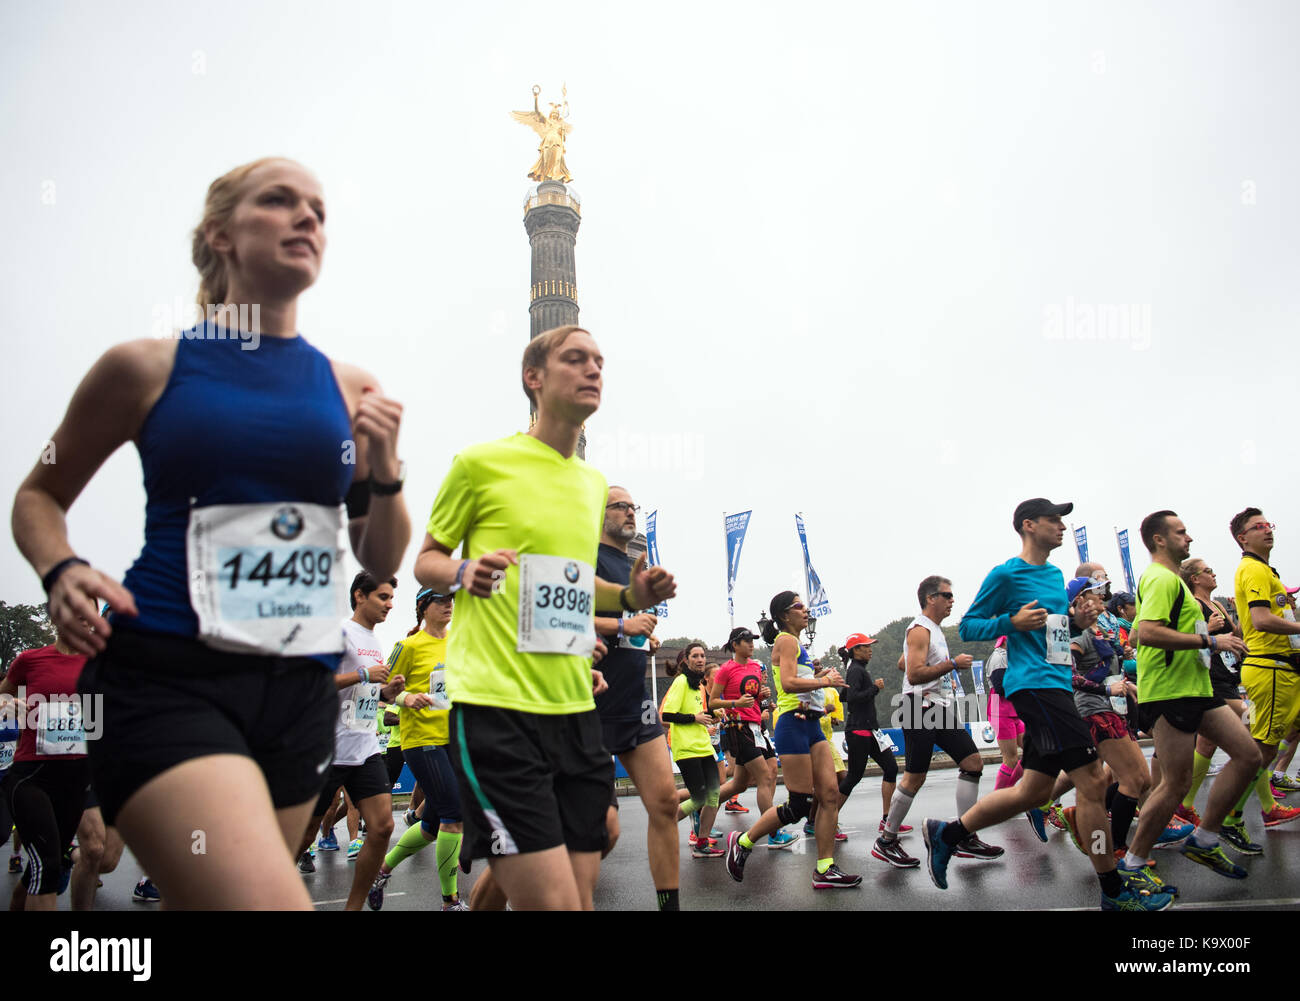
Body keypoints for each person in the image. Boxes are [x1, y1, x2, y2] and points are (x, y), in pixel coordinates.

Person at [11, 158, 411, 908]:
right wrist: (60, 569)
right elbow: (38, 494)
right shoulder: (145, 367)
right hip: (166, 674)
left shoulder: (351, 386)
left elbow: (379, 555)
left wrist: (385, 471)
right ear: (218, 233)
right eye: (280, 201)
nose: (307, 219)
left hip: (299, 694)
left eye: (319, 210)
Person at [413, 324, 676, 910]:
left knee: (586, 874)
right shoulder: (480, 463)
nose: (594, 370)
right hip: (497, 712)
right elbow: (425, 560)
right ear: (533, 378)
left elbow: (578, 587)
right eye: (576, 359)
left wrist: (631, 597)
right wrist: (461, 573)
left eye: (600, 362)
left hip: (575, 710)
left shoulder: (591, 483)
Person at [927, 498, 1171, 910]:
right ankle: (1113, 891)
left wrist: (1078, 621)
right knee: (1093, 782)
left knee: (1033, 791)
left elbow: (1054, 633)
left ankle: (947, 834)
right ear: (1028, 525)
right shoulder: (1007, 573)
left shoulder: (1055, 574)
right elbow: (969, 626)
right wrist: (1011, 622)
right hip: (1035, 687)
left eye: (1062, 521)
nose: (1061, 526)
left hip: (1056, 683)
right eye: (1053, 520)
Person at [1117, 512, 1259, 886]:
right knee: (1175, 784)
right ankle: (1132, 864)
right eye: (1181, 533)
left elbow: (1132, 636)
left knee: (1248, 755)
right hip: (1170, 692)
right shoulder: (1161, 578)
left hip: (1197, 687)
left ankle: (1205, 838)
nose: (1190, 538)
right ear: (1160, 539)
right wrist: (1210, 640)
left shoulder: (1168, 582)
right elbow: (1146, 633)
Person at [725, 592, 860, 889]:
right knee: (800, 803)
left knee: (830, 795)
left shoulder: (796, 645)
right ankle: (744, 841)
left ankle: (825, 868)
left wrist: (820, 675)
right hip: (792, 726)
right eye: (799, 605)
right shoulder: (786, 640)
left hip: (812, 725)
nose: (806, 609)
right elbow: (787, 683)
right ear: (785, 615)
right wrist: (825, 681)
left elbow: (798, 683)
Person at [591, 485, 682, 906]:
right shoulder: (582, 558)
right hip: (588, 705)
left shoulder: (632, 564)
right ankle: (505, 884)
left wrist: (641, 630)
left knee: (664, 803)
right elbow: (556, 614)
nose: (630, 512)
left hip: (636, 703)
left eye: (633, 506)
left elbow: (627, 619)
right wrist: (621, 628)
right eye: (621, 506)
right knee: (598, 831)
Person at [292, 572, 404, 910]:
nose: (390, 604)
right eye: (383, 597)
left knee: (383, 827)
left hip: (364, 745)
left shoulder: (374, 640)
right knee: (304, 836)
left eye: (391, 598)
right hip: (328, 747)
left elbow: (364, 693)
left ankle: (353, 907)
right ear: (360, 596)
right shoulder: (340, 633)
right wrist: (363, 674)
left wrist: (387, 692)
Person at [874, 577, 1001, 870]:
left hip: (938, 707)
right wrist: (951, 664)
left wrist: (930, 664)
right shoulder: (919, 629)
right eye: (947, 595)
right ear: (931, 598)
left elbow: (903, 663)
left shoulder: (933, 631)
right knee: (914, 778)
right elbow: (915, 674)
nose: (952, 600)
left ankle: (965, 835)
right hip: (918, 706)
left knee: (973, 763)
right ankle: (886, 840)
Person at [368, 587, 467, 911]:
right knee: (454, 816)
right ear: (423, 607)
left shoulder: (458, 640)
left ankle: (382, 871)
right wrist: (404, 697)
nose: (449, 606)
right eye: (441, 601)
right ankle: (449, 902)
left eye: (451, 601)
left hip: (452, 739)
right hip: (421, 741)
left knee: (429, 827)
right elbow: (381, 691)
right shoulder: (407, 646)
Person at [1228, 508, 1300, 829]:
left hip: (1283, 669)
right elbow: (1259, 620)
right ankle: (1232, 817)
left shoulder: (1266, 571)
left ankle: (1270, 795)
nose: (1267, 530)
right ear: (1243, 538)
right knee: (1261, 752)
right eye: (1259, 527)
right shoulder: (1253, 570)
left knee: (1284, 736)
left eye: (1268, 524)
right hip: (1269, 670)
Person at [711, 628, 790, 846]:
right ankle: (773, 832)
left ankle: (702, 807)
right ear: (735, 645)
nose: (751, 644)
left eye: (752, 640)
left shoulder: (756, 666)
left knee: (740, 783)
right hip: (739, 727)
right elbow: (713, 701)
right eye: (746, 641)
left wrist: (762, 697)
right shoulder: (726, 670)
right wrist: (735, 703)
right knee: (764, 777)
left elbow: (754, 696)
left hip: (757, 728)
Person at [659, 643, 725, 859]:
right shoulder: (680, 682)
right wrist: (694, 718)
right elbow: (667, 715)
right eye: (695, 656)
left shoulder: (697, 686)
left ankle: (702, 843)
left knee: (714, 796)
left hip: (703, 745)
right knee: (698, 798)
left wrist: (712, 714)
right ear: (686, 660)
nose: (700, 659)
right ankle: (662, 826)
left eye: (702, 656)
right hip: (686, 748)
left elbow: (698, 714)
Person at [835, 633, 904, 833]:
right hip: (859, 731)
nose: (870, 649)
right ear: (856, 650)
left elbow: (845, 697)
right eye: (866, 646)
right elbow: (855, 697)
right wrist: (875, 688)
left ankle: (887, 819)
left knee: (891, 768)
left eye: (870, 646)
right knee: (853, 777)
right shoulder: (856, 670)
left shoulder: (856, 670)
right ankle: (827, 821)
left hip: (871, 730)